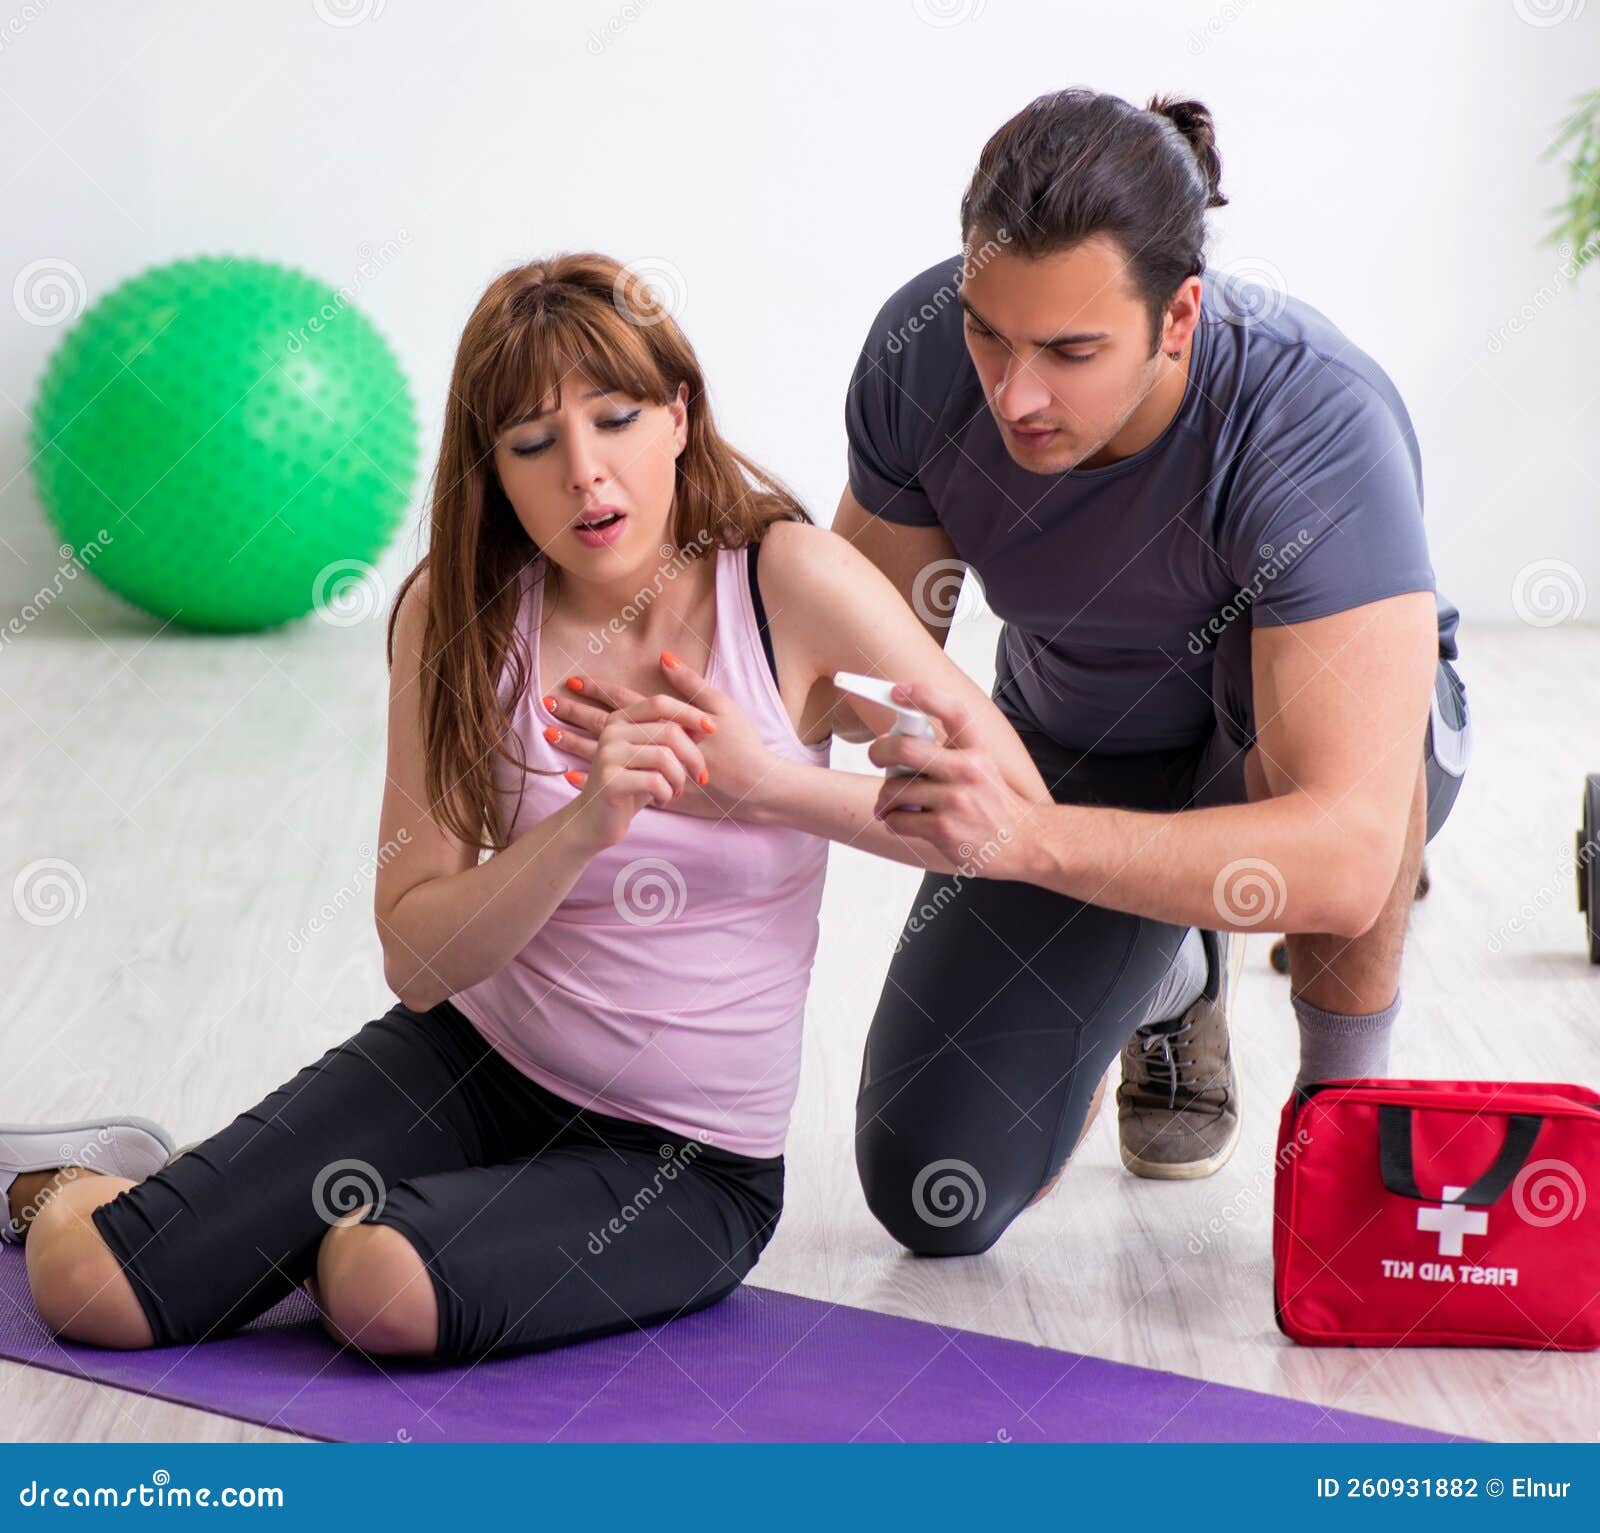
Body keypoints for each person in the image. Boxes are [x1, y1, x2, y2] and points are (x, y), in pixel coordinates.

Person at [1, 252, 1050, 1362]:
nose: (586, 476)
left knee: (373, 1281)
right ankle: (73, 1179)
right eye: (534, 444)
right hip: (469, 1066)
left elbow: (1013, 819)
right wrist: (583, 824)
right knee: (91, 1289)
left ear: (680, 415)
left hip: (682, 1162)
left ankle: (330, 1221)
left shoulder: (787, 581)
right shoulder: (457, 620)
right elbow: (416, 957)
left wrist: (761, 785)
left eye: (617, 419)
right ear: (491, 467)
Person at [562, 88, 1471, 1259]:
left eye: (1071, 352)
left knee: (1342, 786)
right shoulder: (920, 356)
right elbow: (852, 669)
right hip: (1083, 748)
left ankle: (1347, 1120)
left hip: (1304, 762)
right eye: (990, 334)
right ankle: (1170, 972)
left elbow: (1343, 856)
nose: (1015, 394)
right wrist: (694, 730)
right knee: (931, 1189)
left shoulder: (1310, 417)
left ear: (1179, 317)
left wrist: (1027, 845)